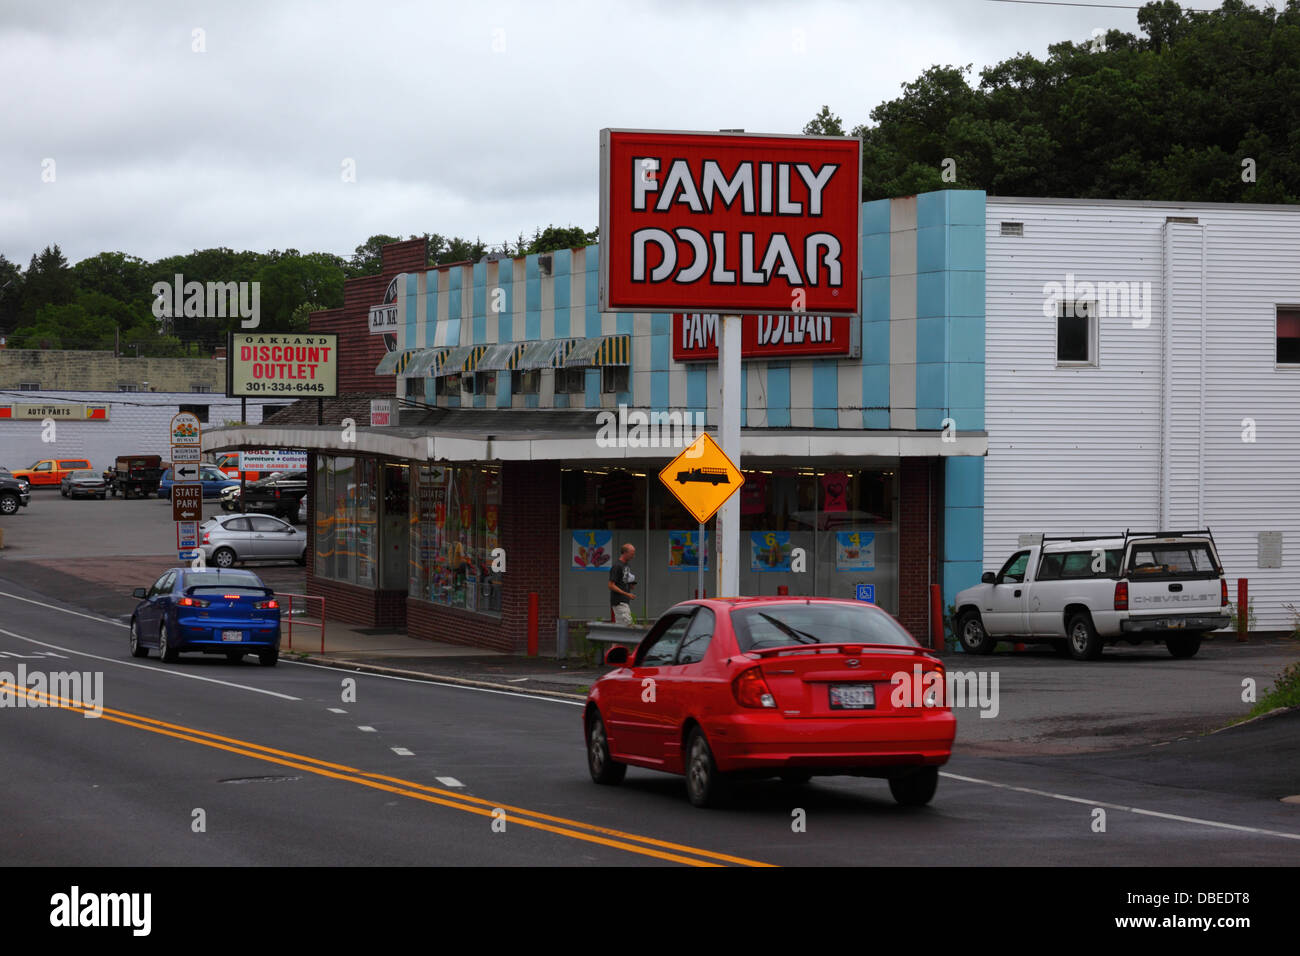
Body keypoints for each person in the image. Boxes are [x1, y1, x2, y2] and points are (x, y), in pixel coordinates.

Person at [608, 543, 637, 625]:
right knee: (627, 624)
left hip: (625, 601)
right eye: (632, 554)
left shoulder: (627, 565)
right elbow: (611, 585)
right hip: (619, 601)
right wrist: (626, 594)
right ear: (625, 553)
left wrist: (630, 585)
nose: (633, 556)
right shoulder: (617, 566)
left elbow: (623, 580)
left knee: (623, 626)